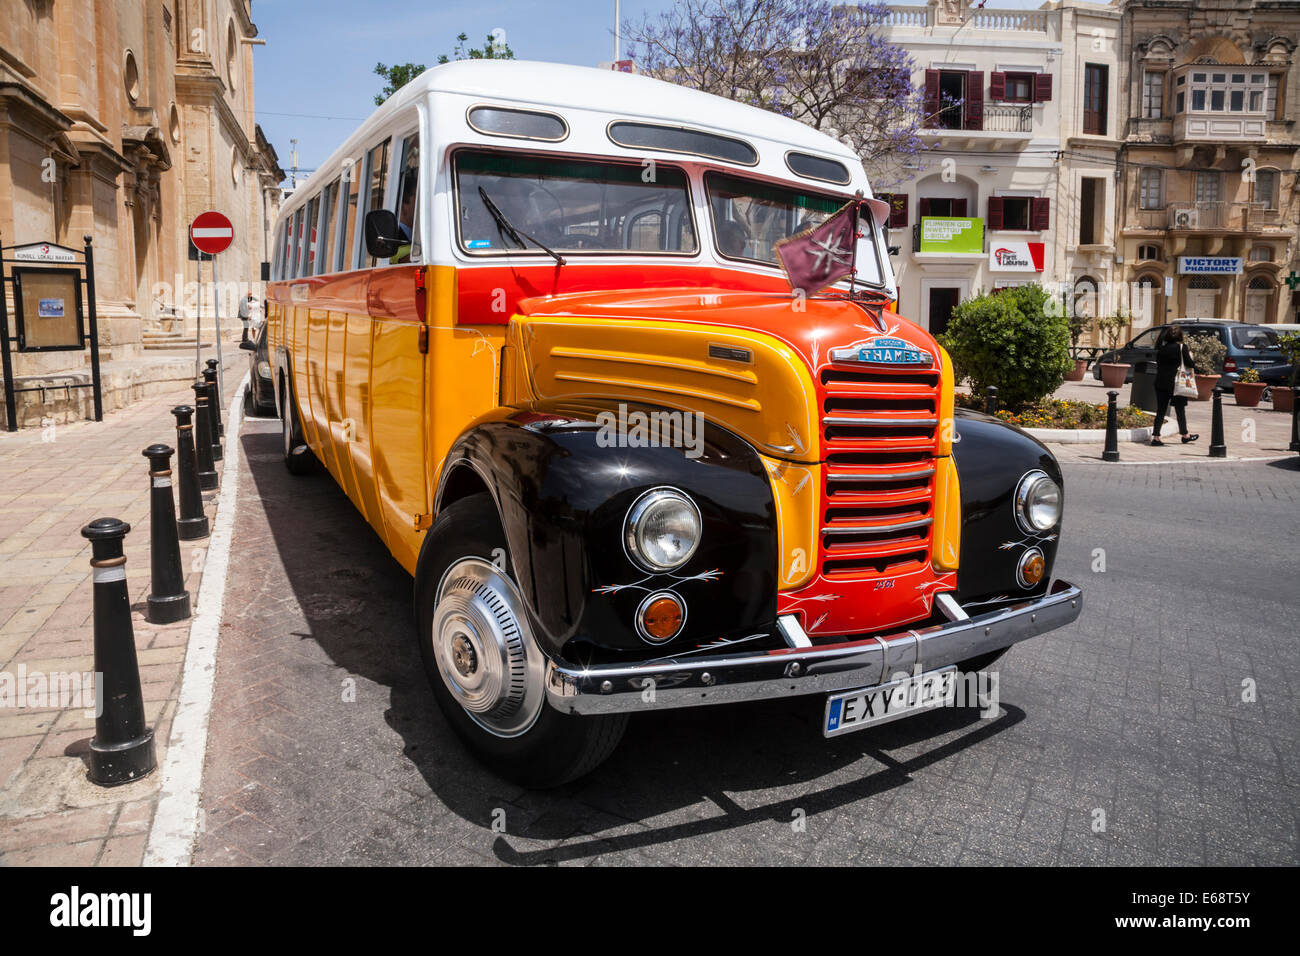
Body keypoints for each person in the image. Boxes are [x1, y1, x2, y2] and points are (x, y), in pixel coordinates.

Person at [1151, 324, 1198, 446]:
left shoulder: (1162, 348)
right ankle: (1185, 435)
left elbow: (1159, 363)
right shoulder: (1182, 347)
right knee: (1180, 410)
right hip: (1177, 383)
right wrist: (1191, 356)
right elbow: (1190, 364)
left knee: (1161, 410)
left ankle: (1156, 437)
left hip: (1160, 382)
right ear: (1180, 336)